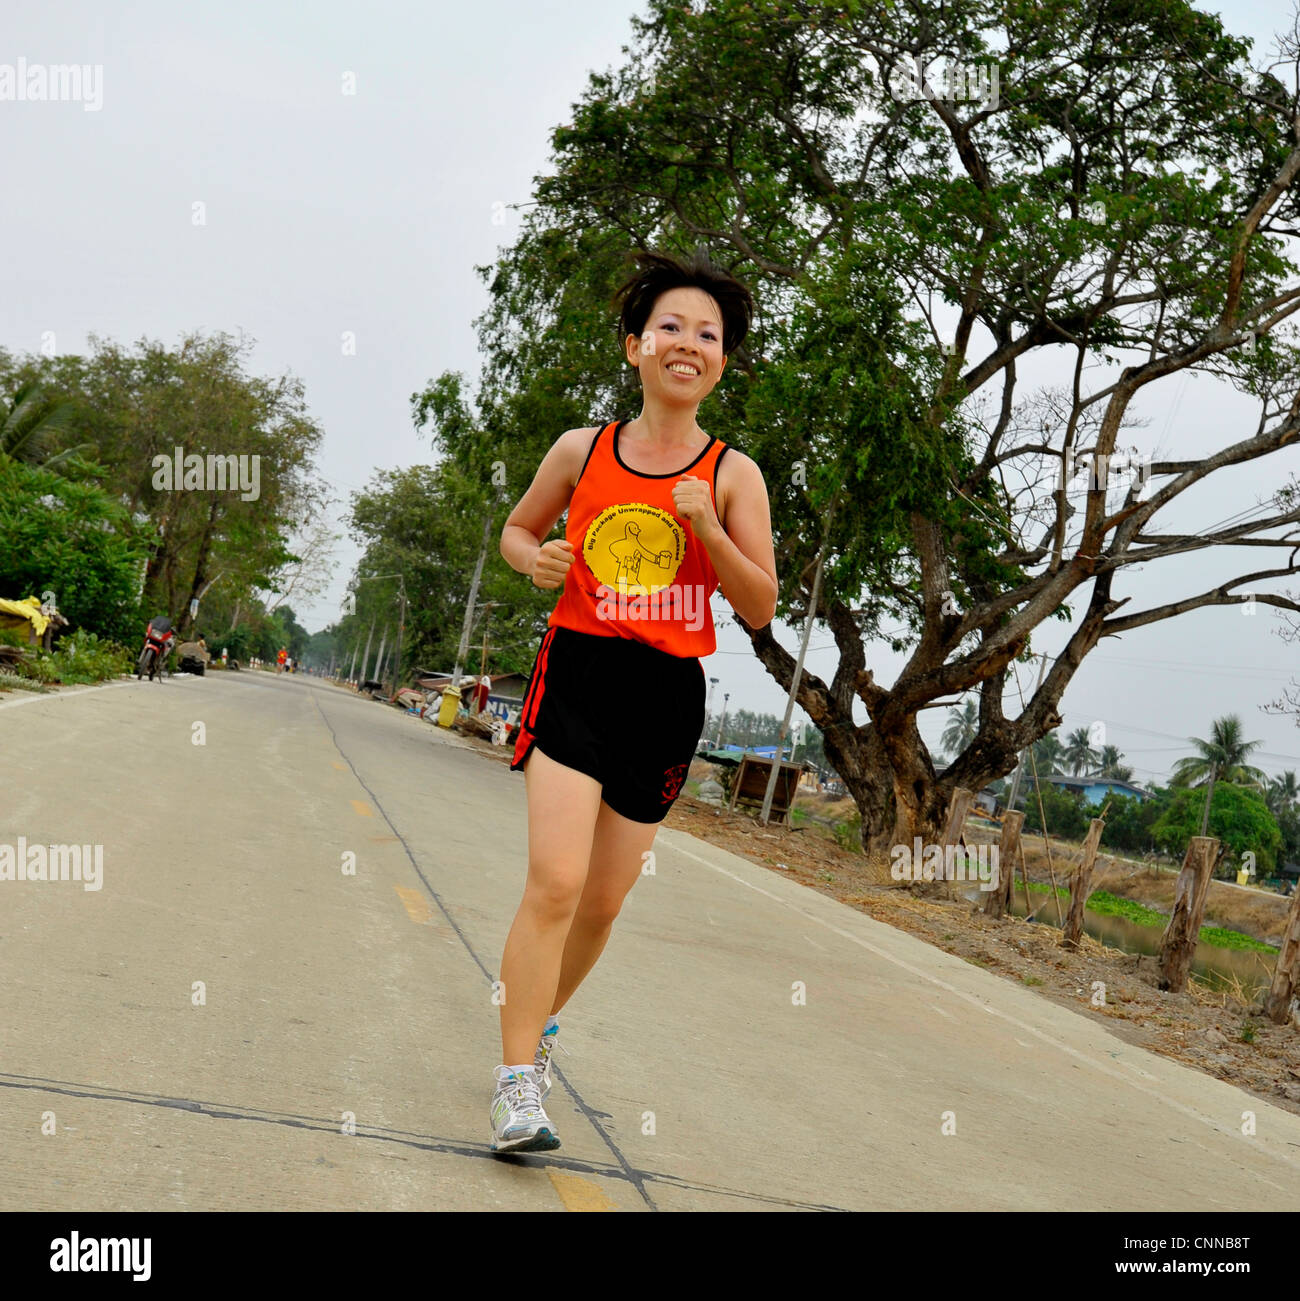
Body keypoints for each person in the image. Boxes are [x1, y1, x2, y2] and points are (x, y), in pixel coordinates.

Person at [490, 247, 778, 1153]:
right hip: (578, 668)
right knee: (557, 881)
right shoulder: (584, 449)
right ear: (634, 346)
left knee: (604, 904)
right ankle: (514, 1082)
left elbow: (761, 601)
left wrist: (706, 528)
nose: (687, 343)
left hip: (666, 693)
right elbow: (517, 528)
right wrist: (531, 559)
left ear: (721, 362)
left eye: (707, 334)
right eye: (670, 327)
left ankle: (536, 1025)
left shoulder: (735, 475)